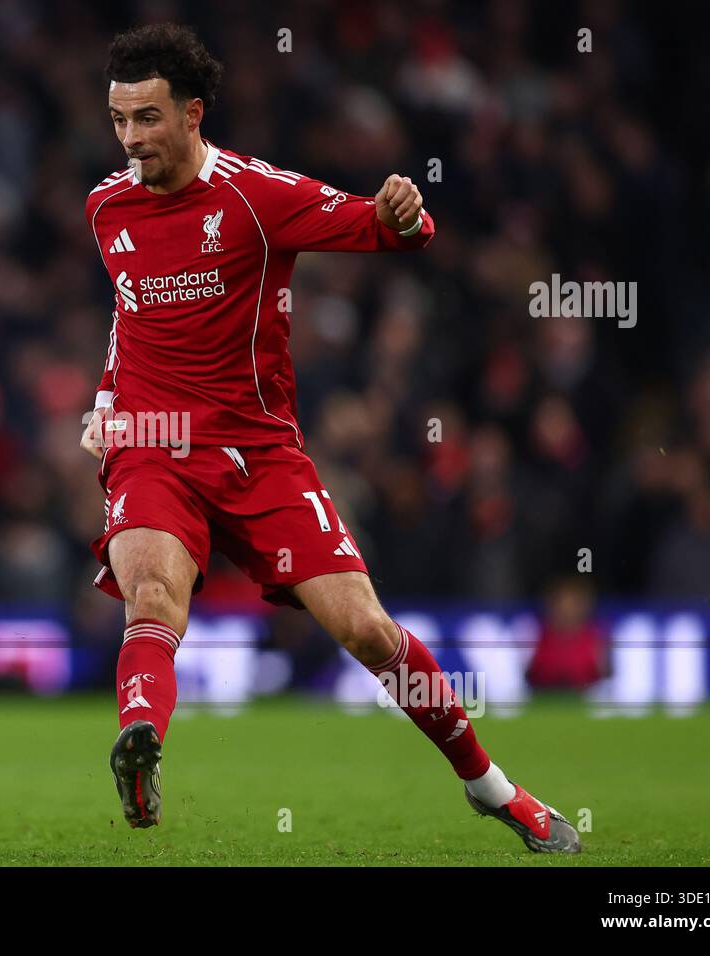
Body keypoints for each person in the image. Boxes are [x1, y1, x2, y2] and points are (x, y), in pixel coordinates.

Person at [80, 23, 578, 853]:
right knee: (153, 598)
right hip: (153, 440)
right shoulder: (107, 206)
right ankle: (141, 744)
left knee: (366, 631)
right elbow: (127, 315)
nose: (131, 140)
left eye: (148, 119)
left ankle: (493, 789)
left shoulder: (255, 196)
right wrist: (106, 398)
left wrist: (403, 215)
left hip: (259, 450)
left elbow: (390, 233)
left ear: (194, 114)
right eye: (119, 120)